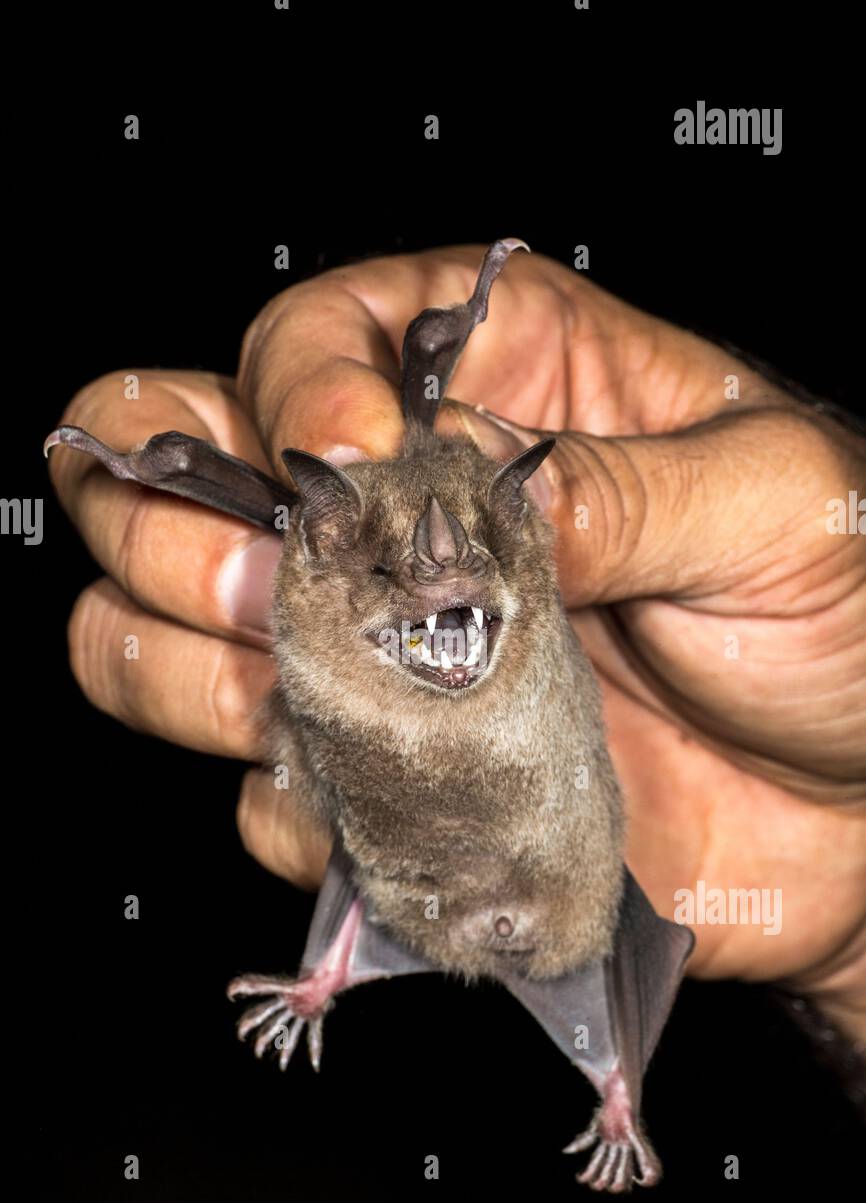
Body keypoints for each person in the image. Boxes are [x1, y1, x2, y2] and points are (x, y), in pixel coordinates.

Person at [48, 243, 866, 1048]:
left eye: (470, 568)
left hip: (561, 887)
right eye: (414, 575)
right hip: (451, 884)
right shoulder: (332, 636)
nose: (446, 580)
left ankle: (365, 976)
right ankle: (345, 965)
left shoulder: (530, 587)